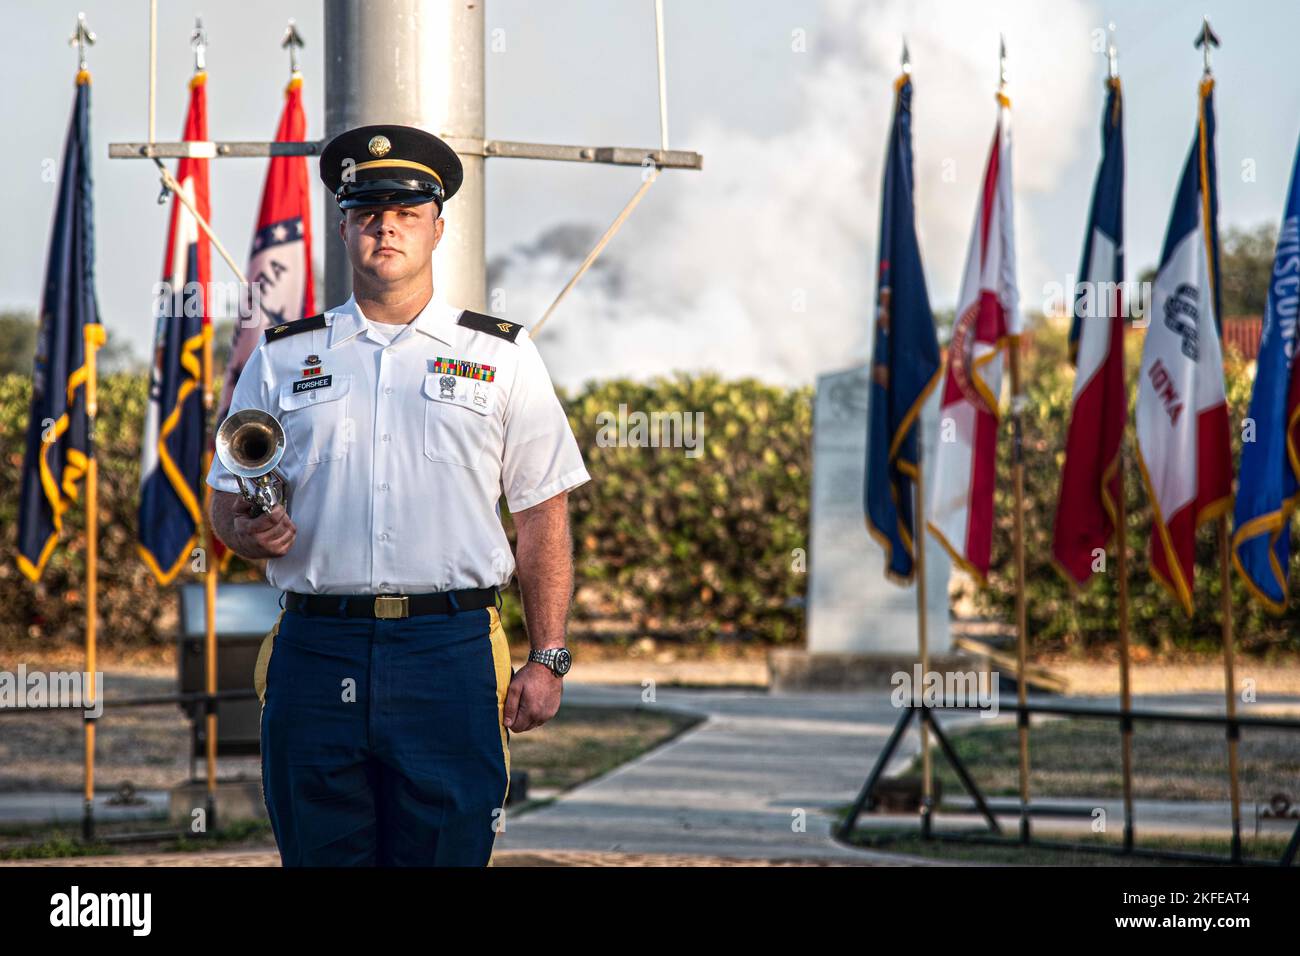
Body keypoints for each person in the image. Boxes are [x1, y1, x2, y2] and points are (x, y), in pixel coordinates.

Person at [206, 124, 590, 866]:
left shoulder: (501, 356)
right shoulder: (285, 357)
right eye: (369, 210)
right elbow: (228, 497)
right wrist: (247, 532)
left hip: (448, 651)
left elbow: (543, 518)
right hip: (317, 650)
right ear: (344, 226)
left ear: (437, 228)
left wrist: (548, 656)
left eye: (406, 213)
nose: (387, 226)